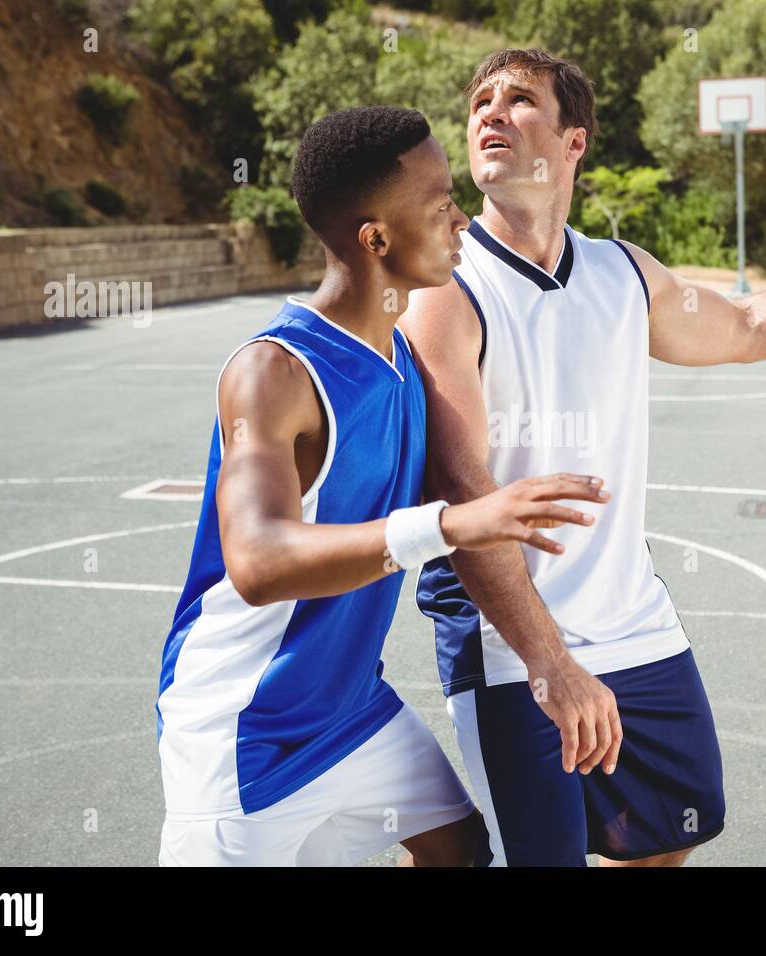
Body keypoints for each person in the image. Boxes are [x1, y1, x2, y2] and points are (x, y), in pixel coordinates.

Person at [401, 49, 766, 867]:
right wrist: (551, 664)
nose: (490, 113)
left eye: (519, 99)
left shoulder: (622, 273)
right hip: (511, 642)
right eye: (480, 101)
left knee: (668, 837)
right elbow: (463, 492)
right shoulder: (449, 290)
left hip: (633, 624)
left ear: (574, 142)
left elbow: (750, 329)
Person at [155, 105, 608, 866]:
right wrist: (455, 524)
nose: (462, 219)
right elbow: (259, 562)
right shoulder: (274, 371)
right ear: (376, 239)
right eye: (439, 207)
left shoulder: (401, 356)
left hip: (351, 710)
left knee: (463, 852)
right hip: (243, 729)